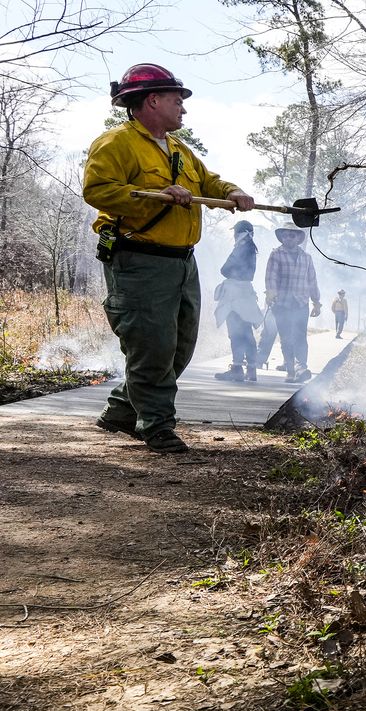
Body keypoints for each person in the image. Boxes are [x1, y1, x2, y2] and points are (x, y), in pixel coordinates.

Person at [82, 63, 255, 453]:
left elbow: (209, 181)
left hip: (182, 262)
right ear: (152, 100)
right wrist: (160, 196)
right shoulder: (116, 143)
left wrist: (232, 191)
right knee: (152, 347)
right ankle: (157, 426)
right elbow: (97, 190)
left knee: (180, 346)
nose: (184, 108)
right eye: (178, 101)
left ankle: (122, 411)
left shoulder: (179, 149)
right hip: (140, 260)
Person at [265, 226, 321, 382]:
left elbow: (312, 280)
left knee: (300, 336)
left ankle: (301, 368)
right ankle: (290, 370)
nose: (288, 238)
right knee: (286, 338)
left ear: (298, 238)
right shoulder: (276, 254)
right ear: (282, 238)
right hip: (281, 303)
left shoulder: (306, 257)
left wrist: (316, 301)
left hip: (301, 303)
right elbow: (271, 277)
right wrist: (271, 293)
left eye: (292, 236)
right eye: (285, 236)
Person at [212, 220, 263, 382]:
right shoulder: (250, 248)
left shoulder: (242, 248)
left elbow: (224, 270)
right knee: (246, 332)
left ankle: (237, 369)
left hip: (235, 294)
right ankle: (251, 369)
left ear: (238, 233)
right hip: (245, 293)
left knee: (236, 332)